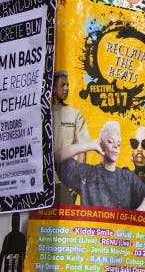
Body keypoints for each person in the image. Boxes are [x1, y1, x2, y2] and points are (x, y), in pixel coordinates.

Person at [55, 120, 145, 211]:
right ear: (101, 144)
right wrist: (90, 145)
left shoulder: (128, 177)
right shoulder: (85, 174)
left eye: (118, 144)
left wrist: (135, 216)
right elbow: (56, 158)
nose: (115, 146)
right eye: (110, 141)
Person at [50, 70, 90, 205]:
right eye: (62, 85)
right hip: (43, 182)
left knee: (65, 222)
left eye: (67, 85)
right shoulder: (42, 114)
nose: (66, 88)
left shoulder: (74, 114)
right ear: (53, 88)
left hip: (66, 181)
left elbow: (82, 148)